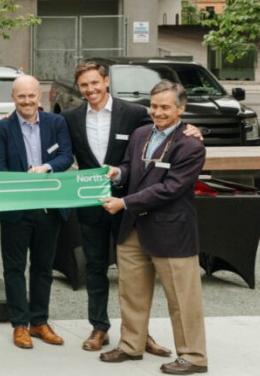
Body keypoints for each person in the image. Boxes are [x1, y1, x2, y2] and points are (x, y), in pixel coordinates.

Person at [61, 60, 183, 357]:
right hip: (91, 205)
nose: (90, 90)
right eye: (84, 85)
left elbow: (164, 131)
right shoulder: (70, 118)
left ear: (105, 82)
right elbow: (62, 153)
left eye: (94, 83)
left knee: (135, 272)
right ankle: (99, 327)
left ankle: (141, 333)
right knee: (94, 267)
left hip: (129, 204)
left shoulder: (134, 113)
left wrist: (192, 131)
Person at [98, 80, 209, 375]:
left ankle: (193, 356)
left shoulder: (191, 144)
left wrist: (124, 203)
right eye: (154, 106)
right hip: (133, 227)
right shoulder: (140, 134)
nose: (157, 112)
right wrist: (118, 173)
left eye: (165, 107)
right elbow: (132, 168)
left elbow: (170, 189)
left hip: (171, 231)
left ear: (181, 109)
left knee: (182, 299)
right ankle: (131, 345)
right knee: (131, 292)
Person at [0, 74, 74, 349]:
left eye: (31, 96)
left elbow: (65, 156)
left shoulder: (56, 122)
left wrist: (46, 168)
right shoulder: (2, 129)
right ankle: (19, 324)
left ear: (40, 96)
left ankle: (40, 322)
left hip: (49, 208)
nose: (27, 101)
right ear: (13, 98)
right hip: (16, 209)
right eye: (21, 96)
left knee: (43, 268)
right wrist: (22, 181)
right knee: (14, 268)